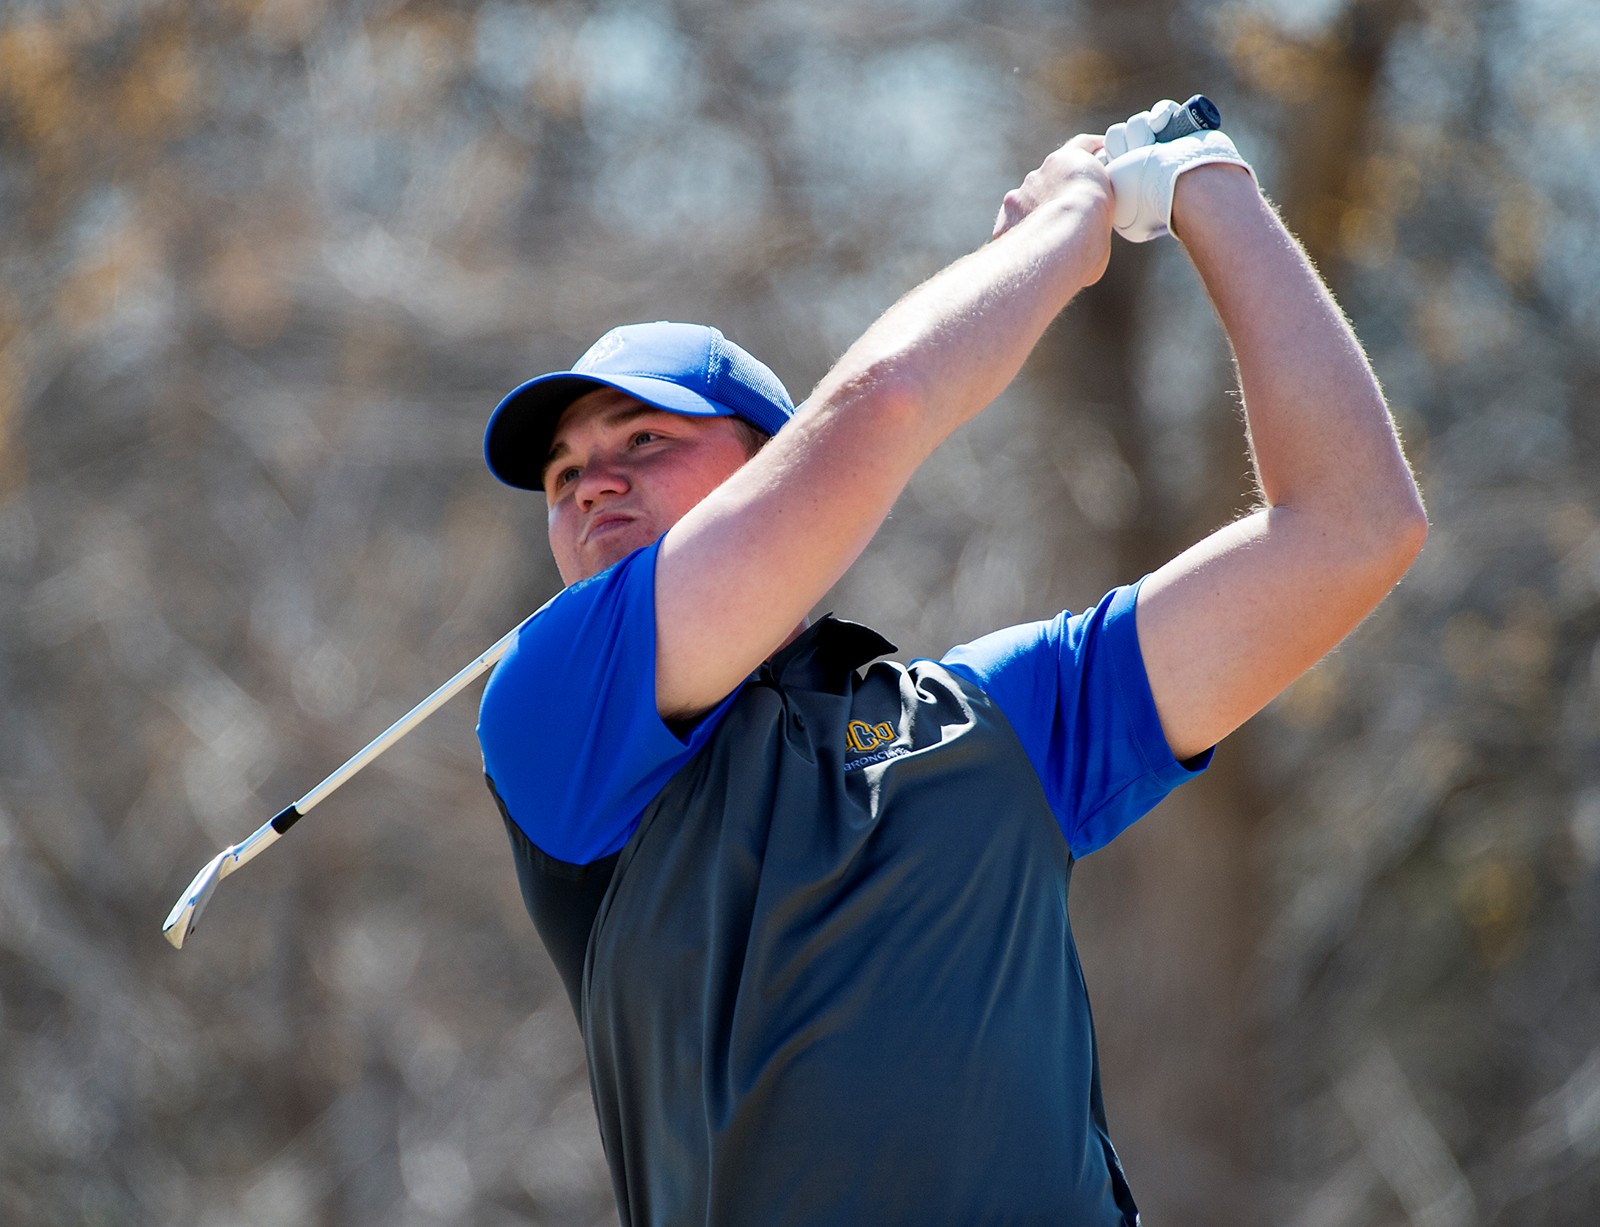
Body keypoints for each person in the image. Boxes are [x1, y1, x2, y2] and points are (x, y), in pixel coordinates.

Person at [475, 100, 1427, 1226]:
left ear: (777, 466)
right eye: (562, 475)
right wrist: (1066, 229)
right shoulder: (550, 709)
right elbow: (886, 404)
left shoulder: (990, 719)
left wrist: (1207, 183)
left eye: (644, 441)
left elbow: (1352, 528)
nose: (592, 484)